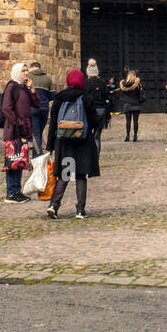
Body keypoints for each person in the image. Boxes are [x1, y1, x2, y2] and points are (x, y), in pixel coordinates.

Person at [45, 68, 100, 219]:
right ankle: (80, 210)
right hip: (82, 142)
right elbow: (95, 120)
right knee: (81, 175)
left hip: (65, 143)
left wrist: (49, 146)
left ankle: (54, 206)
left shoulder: (59, 98)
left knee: (65, 174)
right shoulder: (86, 98)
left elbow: (53, 125)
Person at [0, 62, 36, 200]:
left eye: (27, 70)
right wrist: (17, 123)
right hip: (14, 130)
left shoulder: (24, 88)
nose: (26, 73)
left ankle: (17, 190)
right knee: (12, 161)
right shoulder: (11, 87)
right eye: (23, 71)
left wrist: (32, 89)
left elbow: (36, 104)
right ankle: (11, 192)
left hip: (24, 130)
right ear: (17, 72)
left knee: (20, 161)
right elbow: (6, 108)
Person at [84, 59, 111, 135]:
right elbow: (106, 95)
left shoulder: (85, 82)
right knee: (97, 134)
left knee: (88, 132)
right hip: (100, 108)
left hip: (88, 109)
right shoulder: (102, 82)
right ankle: (96, 146)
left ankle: (89, 146)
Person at [29, 61, 53, 149]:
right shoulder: (48, 78)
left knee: (36, 134)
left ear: (32, 67)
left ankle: (37, 155)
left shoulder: (28, 77)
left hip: (32, 108)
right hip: (44, 108)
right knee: (39, 132)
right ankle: (39, 153)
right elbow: (53, 95)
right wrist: (45, 99)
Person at [117, 70, 143, 141]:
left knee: (128, 121)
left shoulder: (123, 84)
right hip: (136, 104)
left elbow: (122, 95)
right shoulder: (137, 84)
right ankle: (135, 136)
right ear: (135, 75)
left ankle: (127, 136)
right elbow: (140, 94)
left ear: (128, 75)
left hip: (127, 105)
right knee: (135, 121)